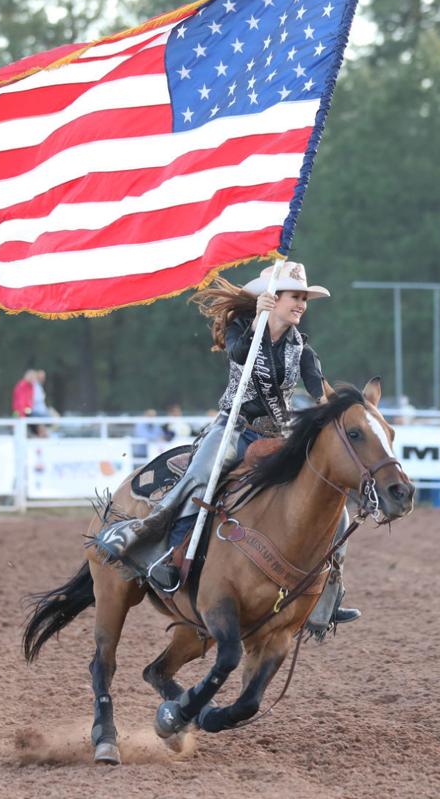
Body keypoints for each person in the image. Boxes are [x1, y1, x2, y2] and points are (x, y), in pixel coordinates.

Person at [94, 261, 359, 634]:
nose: (301, 304)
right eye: (294, 297)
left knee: (338, 513)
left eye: (304, 298)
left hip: (278, 438)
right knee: (200, 476)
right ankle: (158, 546)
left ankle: (329, 597)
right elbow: (237, 354)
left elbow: (321, 393)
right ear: (273, 299)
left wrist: (338, 414)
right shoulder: (243, 330)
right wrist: (256, 323)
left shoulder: (303, 351)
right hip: (235, 428)